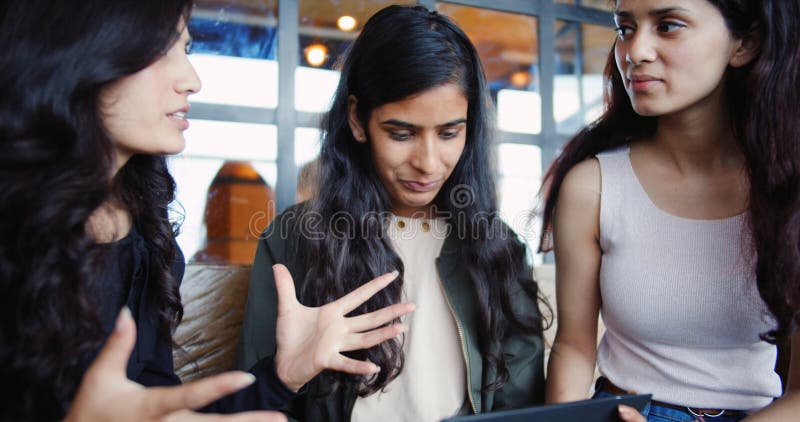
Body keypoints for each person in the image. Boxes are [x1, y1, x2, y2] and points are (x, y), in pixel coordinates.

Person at [237, 5, 547, 421]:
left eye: (450, 132)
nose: (429, 162)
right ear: (357, 120)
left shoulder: (500, 249)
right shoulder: (294, 237)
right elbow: (249, 405)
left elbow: (522, 408)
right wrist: (284, 374)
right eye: (401, 134)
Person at [1, 1, 287, 420]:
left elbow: (153, 407)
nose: (192, 80)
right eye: (159, 51)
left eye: (185, 50)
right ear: (75, 52)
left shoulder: (146, 238)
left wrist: (284, 375)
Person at [540, 0, 800, 421]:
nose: (635, 51)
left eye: (669, 25)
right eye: (625, 28)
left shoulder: (788, 191)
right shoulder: (593, 186)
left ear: (744, 44)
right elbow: (573, 345)